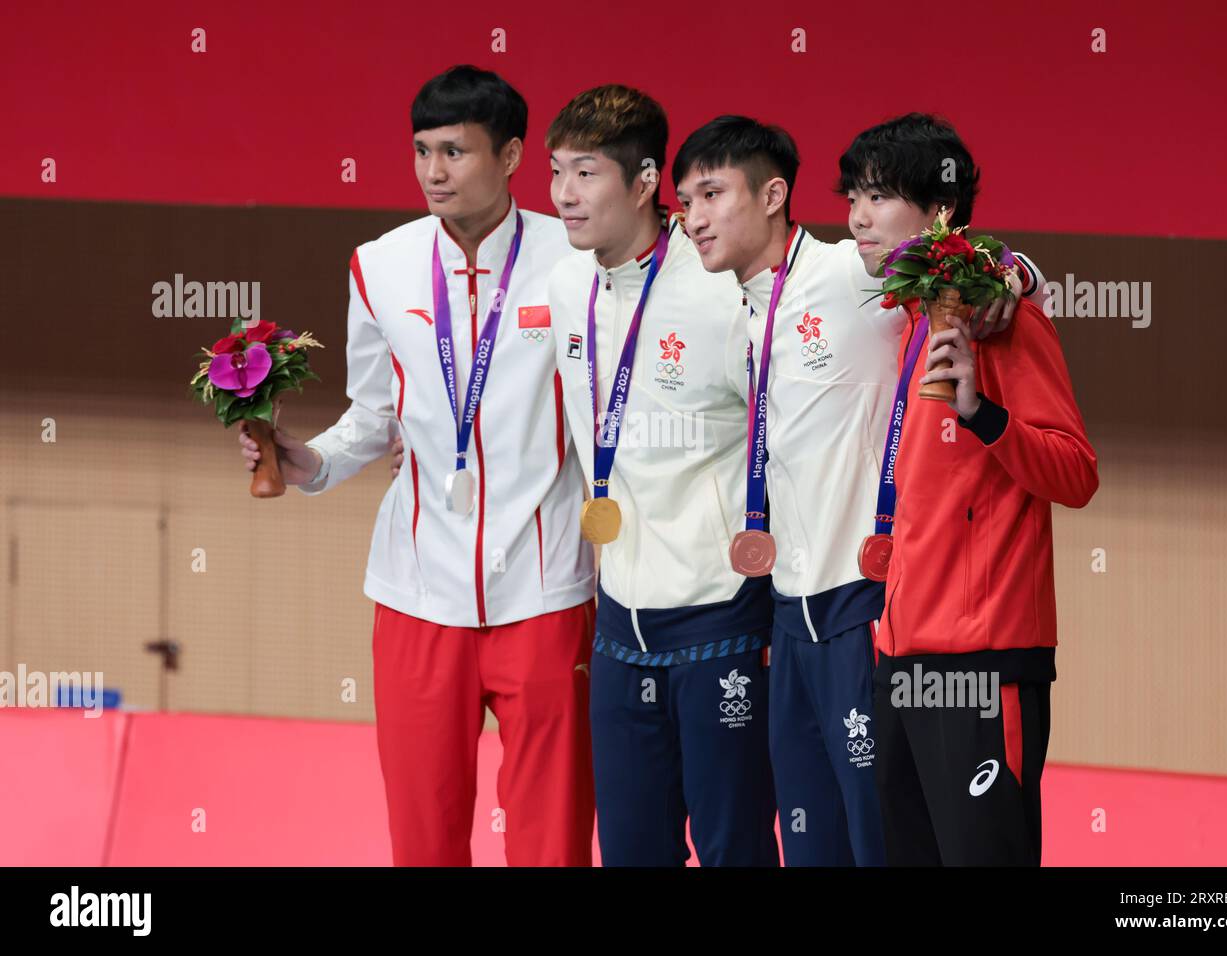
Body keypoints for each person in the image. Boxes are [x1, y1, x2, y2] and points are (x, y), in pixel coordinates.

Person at [237, 65, 596, 866]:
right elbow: (373, 414)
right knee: (423, 837)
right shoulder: (382, 264)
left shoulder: (572, 260)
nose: (434, 172)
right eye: (422, 152)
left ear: (509, 156)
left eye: (456, 153)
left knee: (553, 836)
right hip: (416, 592)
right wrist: (310, 461)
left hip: (545, 590)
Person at [673, 115, 1047, 865]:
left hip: (864, 605)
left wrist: (1018, 272)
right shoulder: (719, 296)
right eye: (684, 201)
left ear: (773, 195)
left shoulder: (851, 271)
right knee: (809, 842)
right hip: (786, 610)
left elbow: (956, 252)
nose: (693, 217)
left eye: (712, 194)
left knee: (882, 838)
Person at [841, 113, 1099, 865]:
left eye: (881, 194)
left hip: (983, 662)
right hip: (902, 653)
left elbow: (1076, 474)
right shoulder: (916, 314)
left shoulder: (1002, 322)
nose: (858, 214)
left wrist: (986, 418)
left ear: (940, 212)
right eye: (854, 193)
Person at [544, 85, 778, 866]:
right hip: (618, 622)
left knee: (732, 848)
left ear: (645, 183)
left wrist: (1015, 273)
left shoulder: (720, 286)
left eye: (585, 173)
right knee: (632, 851)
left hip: (720, 618)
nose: (563, 195)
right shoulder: (562, 284)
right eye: (554, 172)